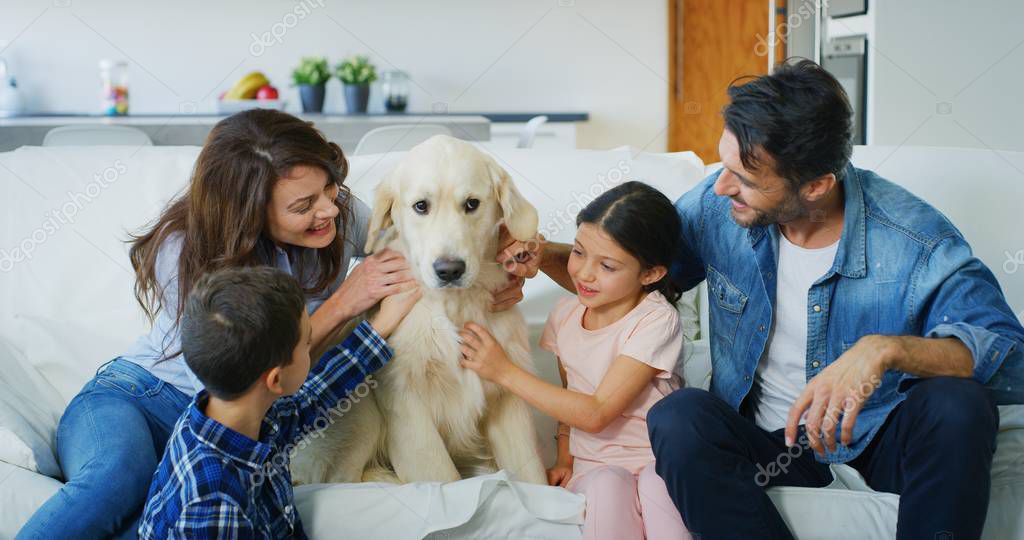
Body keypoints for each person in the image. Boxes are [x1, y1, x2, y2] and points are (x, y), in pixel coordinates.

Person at [501, 60, 1024, 539]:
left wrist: (886, 350)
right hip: (764, 442)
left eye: (746, 179)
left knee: (959, 403)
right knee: (679, 417)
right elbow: (634, 269)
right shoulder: (719, 207)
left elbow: (1011, 356)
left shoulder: (914, 239)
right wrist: (540, 256)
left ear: (816, 185)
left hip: (879, 437)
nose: (721, 187)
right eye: (724, 165)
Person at [18, 109, 525, 539]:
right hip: (142, 398)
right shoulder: (184, 251)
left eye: (329, 189)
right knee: (117, 481)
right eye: (303, 205)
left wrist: (506, 265)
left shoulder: (335, 216)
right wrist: (345, 302)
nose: (329, 211)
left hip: (242, 422)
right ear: (250, 211)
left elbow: (431, 236)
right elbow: (243, 368)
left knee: (149, 521)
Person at [459, 181, 689, 540]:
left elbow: (595, 412)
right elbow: (570, 399)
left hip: (655, 460)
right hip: (595, 469)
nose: (583, 273)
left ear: (651, 274)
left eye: (607, 266)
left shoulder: (656, 320)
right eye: (579, 252)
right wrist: (565, 458)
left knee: (657, 485)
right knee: (607, 486)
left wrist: (503, 371)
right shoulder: (565, 315)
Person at [138, 266, 419, 538]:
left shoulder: (233, 410)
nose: (312, 347)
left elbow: (310, 401)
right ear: (275, 380)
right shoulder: (213, 507)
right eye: (307, 344)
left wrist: (379, 327)